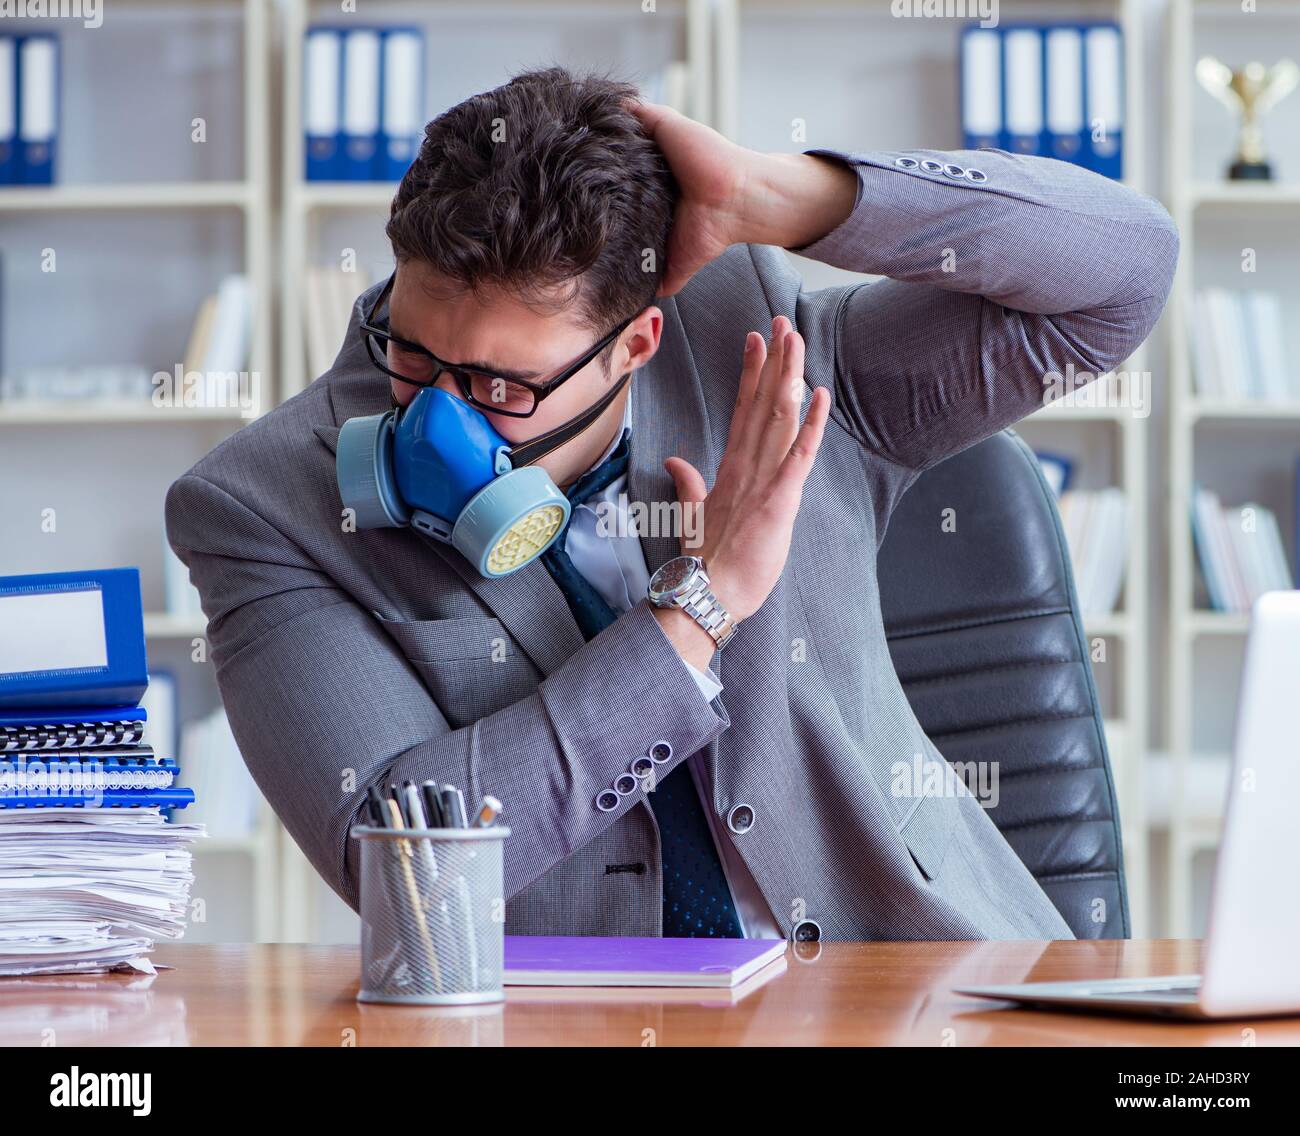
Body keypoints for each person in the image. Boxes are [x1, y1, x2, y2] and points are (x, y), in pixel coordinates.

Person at [166, 66, 1177, 941]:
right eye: (413, 353)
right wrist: (696, 607)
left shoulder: (761, 345)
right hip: (588, 1021)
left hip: (920, 978)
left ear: (635, 343)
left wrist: (785, 195)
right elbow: (408, 866)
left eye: (500, 387)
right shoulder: (267, 506)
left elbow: (1123, 274)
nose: (438, 417)